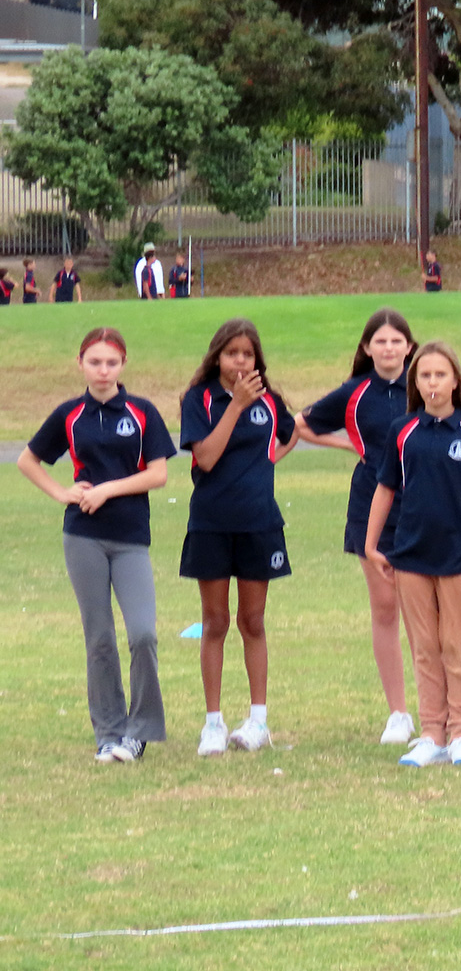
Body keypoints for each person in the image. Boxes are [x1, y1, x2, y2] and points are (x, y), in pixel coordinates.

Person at [296, 310, 461, 746]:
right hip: (376, 507)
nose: (389, 348)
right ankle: (402, 713)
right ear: (367, 348)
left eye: (397, 341)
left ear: (409, 349)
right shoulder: (356, 394)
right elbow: (302, 425)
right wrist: (351, 446)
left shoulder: (447, 409)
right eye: (380, 341)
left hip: (433, 516)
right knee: (390, 610)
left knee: (449, 623)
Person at [17, 328, 175, 762]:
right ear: (81, 363)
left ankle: (140, 731)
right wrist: (60, 493)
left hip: (130, 539)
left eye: (111, 362)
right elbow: (27, 460)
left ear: (123, 365)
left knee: (143, 634)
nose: (103, 370)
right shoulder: (69, 414)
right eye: (95, 362)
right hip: (82, 538)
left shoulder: (142, 412)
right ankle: (109, 732)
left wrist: (107, 490)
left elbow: (158, 474)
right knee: (99, 637)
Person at [367, 342, 461, 767]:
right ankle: (432, 731)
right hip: (410, 557)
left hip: (457, 559)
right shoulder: (402, 431)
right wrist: (373, 545)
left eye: (440, 375)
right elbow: (385, 489)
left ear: (455, 381)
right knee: (424, 648)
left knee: (457, 646)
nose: (432, 383)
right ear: (416, 382)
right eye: (424, 375)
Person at [179, 319, 298, 756]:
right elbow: (205, 458)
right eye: (232, 353)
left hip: (259, 524)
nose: (241, 361)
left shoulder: (270, 402)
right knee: (215, 622)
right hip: (211, 524)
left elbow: (291, 433)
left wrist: (266, 464)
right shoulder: (200, 399)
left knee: (253, 621)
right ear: (218, 357)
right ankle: (213, 723)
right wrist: (236, 406)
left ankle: (257, 721)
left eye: (248, 354)